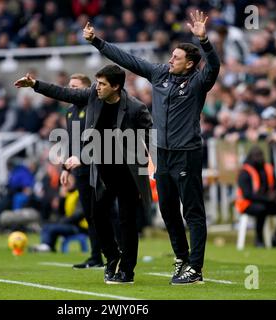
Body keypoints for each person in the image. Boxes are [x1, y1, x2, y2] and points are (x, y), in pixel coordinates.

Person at [83, 10, 220, 284]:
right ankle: (181, 258)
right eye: (171, 56)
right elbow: (129, 60)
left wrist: (204, 41)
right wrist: (98, 42)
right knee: (168, 211)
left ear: (191, 64)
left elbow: (214, 67)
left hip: (186, 153)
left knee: (191, 211)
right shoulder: (160, 75)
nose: (170, 60)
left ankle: (196, 267)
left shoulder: (197, 83)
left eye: (176, 58)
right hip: (161, 154)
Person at [15, 64, 153, 284]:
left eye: (102, 84)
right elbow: (64, 92)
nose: (97, 87)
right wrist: (35, 85)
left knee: (127, 222)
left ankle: (127, 271)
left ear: (116, 86)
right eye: (97, 83)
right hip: (101, 171)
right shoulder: (93, 96)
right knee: (97, 217)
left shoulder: (135, 108)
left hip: (127, 172)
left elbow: (149, 136)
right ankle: (111, 257)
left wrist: (152, 163)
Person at [60, 73, 104, 269]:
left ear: (87, 89)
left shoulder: (94, 109)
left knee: (105, 212)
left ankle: (116, 253)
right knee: (90, 214)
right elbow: (70, 141)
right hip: (79, 170)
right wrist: (65, 168)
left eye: (75, 87)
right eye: (70, 86)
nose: (71, 90)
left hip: (99, 168)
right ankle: (96, 256)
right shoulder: (70, 111)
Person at [235, 146, 276, 247]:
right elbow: (247, 195)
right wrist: (267, 198)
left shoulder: (268, 168)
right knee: (261, 210)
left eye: (260, 155)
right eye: (256, 156)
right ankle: (259, 240)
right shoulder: (245, 172)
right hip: (247, 205)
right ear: (251, 157)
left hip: (267, 202)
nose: (259, 158)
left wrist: (275, 194)